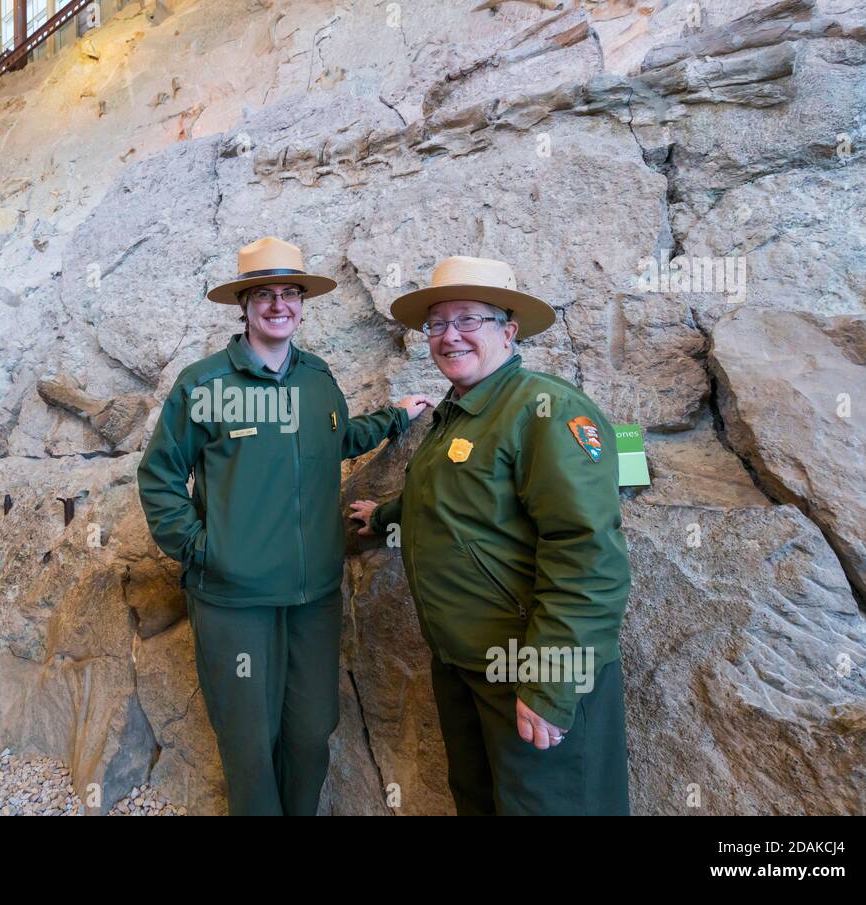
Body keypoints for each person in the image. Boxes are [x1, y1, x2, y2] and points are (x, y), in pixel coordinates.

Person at [138, 236, 430, 815]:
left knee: (310, 730)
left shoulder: (317, 380)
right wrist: (203, 550)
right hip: (234, 600)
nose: (279, 305)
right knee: (249, 742)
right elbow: (159, 476)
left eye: (290, 293)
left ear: (302, 302)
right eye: (264, 294)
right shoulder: (203, 385)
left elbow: (334, 439)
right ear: (243, 305)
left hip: (314, 597)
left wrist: (394, 419)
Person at [349, 255, 632, 815]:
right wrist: (384, 516)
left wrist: (551, 682)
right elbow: (452, 498)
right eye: (437, 323)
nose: (449, 335)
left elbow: (587, 555)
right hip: (464, 665)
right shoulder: (460, 413)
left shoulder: (546, 411)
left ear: (509, 329)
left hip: (529, 670)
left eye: (468, 320)